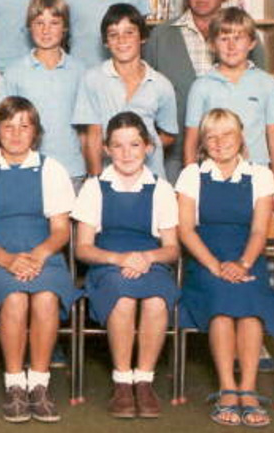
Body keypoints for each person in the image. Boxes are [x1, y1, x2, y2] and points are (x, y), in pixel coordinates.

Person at [0, 97, 78, 423]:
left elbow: (60, 229)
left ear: (36, 133)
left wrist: (38, 256)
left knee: (44, 298)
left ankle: (39, 384)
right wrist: (8, 260)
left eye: (24, 126)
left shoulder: (52, 169)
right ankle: (15, 384)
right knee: (13, 298)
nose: (16, 134)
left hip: (45, 254)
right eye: (8, 126)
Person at [175, 108, 274, 427]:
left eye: (227, 134)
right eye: (211, 136)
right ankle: (228, 389)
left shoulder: (260, 175)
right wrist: (215, 266)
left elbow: (258, 230)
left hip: (247, 257)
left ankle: (249, 390)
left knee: (250, 305)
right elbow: (185, 230)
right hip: (204, 261)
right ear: (202, 143)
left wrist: (242, 264)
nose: (219, 142)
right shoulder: (191, 175)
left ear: (240, 138)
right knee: (223, 305)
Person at [71, 112, 180, 419]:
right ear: (106, 149)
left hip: (151, 263)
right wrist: (120, 260)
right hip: (107, 264)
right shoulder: (95, 187)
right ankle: (122, 381)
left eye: (134, 144)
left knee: (157, 301)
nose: (126, 153)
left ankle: (144, 380)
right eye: (117, 146)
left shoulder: (160, 189)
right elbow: (83, 248)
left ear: (148, 147)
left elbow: (172, 248)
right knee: (123, 298)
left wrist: (146, 258)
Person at [143, 0, 268, 183]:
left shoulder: (247, 37)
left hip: (237, 157)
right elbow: (147, 92)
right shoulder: (161, 36)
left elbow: (260, 91)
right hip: (177, 156)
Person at [182, 7, 274, 217]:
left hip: (257, 178)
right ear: (212, 44)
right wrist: (192, 188)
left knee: (256, 237)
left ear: (252, 43)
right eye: (223, 38)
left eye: (238, 38)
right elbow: (191, 142)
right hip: (214, 178)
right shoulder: (201, 86)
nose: (231, 46)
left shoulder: (266, 83)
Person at [73, 3, 177, 179]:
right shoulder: (92, 79)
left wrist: (143, 145)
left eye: (129, 32)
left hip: (152, 176)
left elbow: (169, 134)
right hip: (109, 176)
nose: (122, 40)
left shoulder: (161, 84)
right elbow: (92, 136)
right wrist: (97, 181)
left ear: (142, 37)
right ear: (106, 42)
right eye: (114, 35)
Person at [0, 0, 88, 187]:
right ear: (29, 27)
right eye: (39, 23)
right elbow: (1, 128)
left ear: (65, 28)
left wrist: (92, 173)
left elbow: (87, 131)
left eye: (54, 23)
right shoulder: (14, 72)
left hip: (71, 171)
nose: (46, 30)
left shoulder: (80, 72)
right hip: (26, 169)